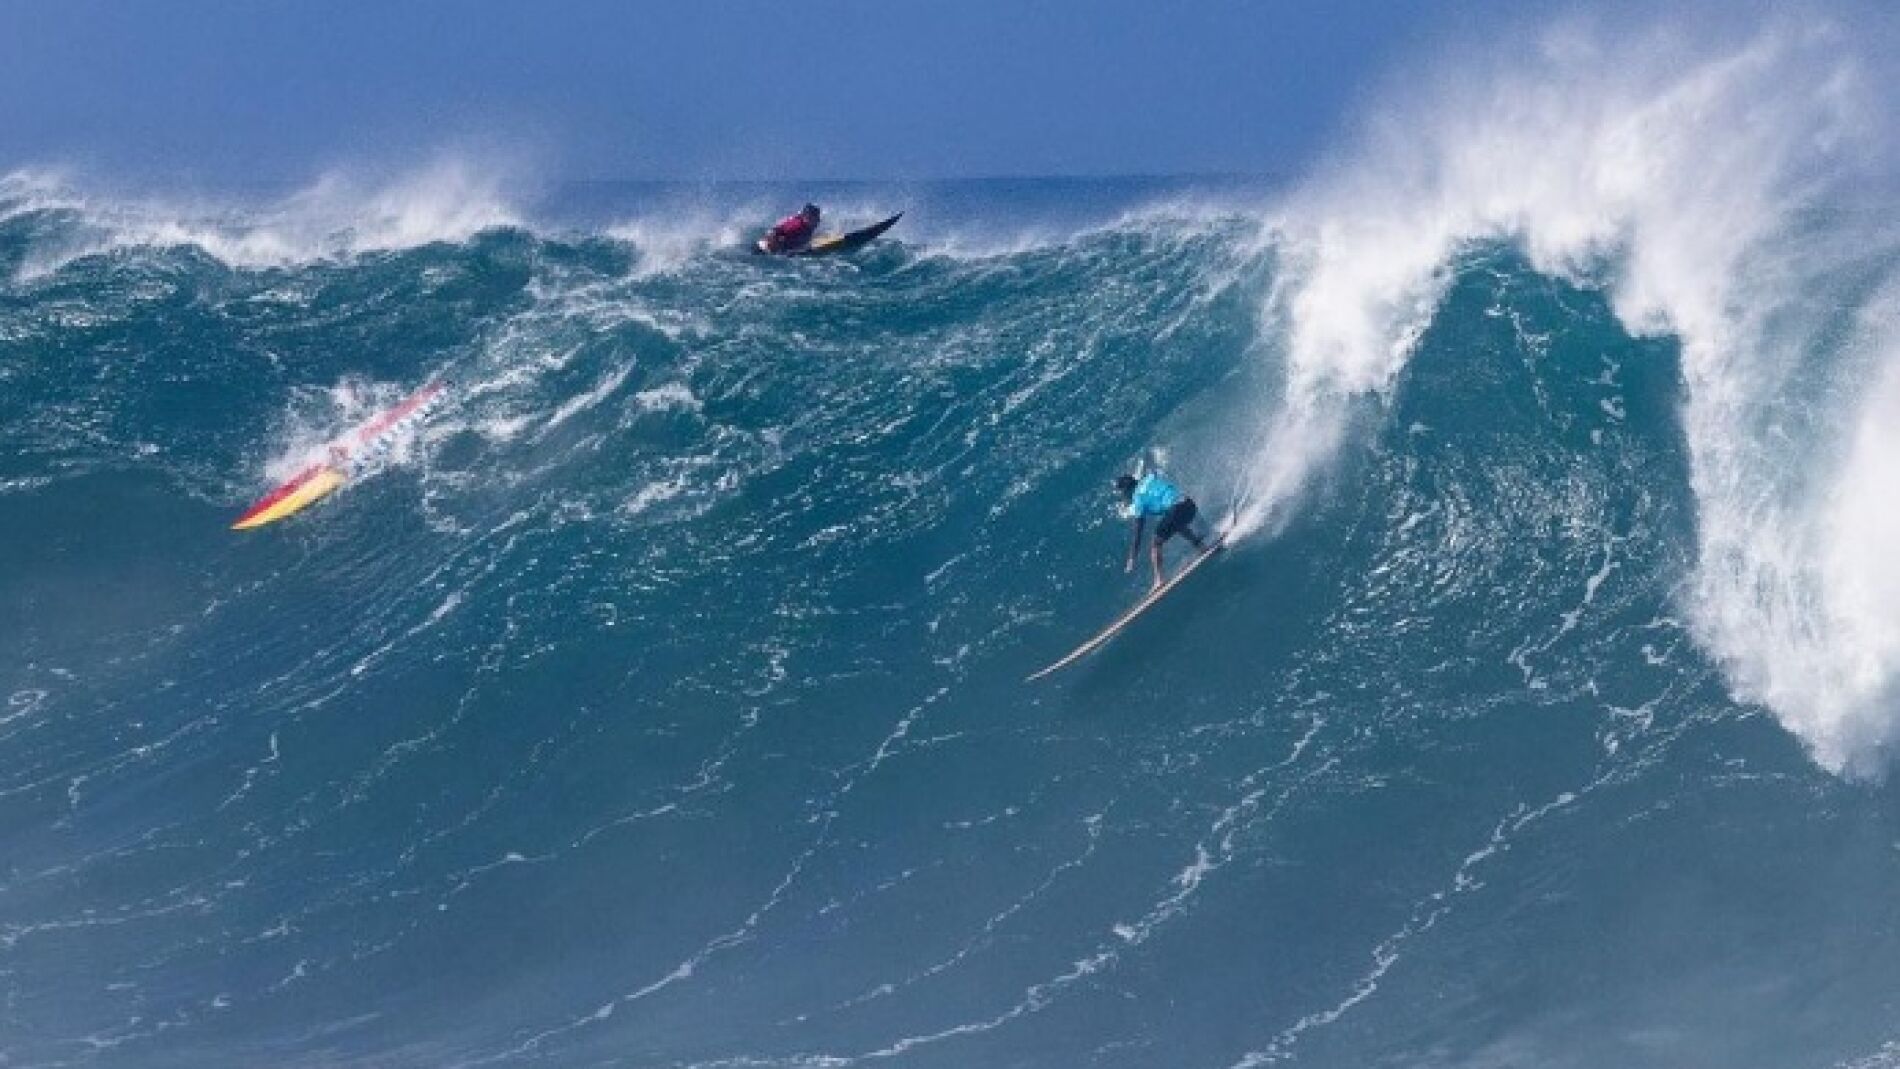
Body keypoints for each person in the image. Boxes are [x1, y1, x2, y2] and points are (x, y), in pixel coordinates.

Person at [1116, 468, 1212, 590]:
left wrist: (1132, 557)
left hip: (1176, 509)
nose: (1123, 495)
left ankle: (1159, 580)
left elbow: (1138, 532)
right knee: (1177, 526)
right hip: (1189, 504)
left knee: (1155, 542)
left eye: (1122, 492)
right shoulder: (1149, 478)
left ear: (1126, 490)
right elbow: (1154, 474)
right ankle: (1202, 547)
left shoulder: (1138, 498)